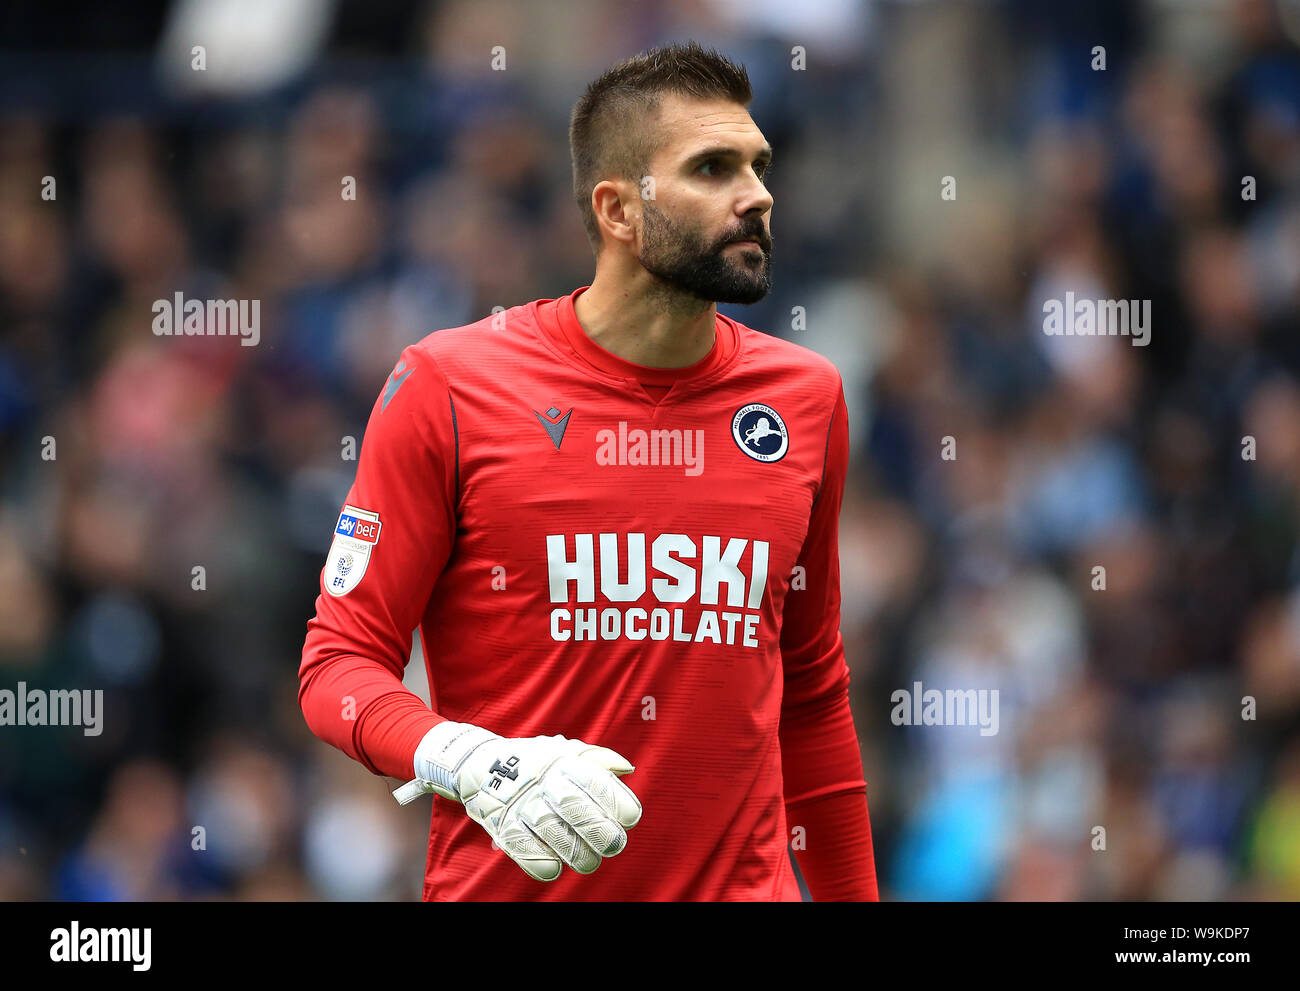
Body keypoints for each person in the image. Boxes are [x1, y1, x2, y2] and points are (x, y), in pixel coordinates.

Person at [299, 39, 878, 901]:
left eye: (758, 165)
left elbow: (814, 697)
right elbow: (336, 667)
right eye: (713, 168)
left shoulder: (807, 399)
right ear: (618, 210)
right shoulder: (449, 385)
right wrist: (466, 758)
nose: (757, 195)